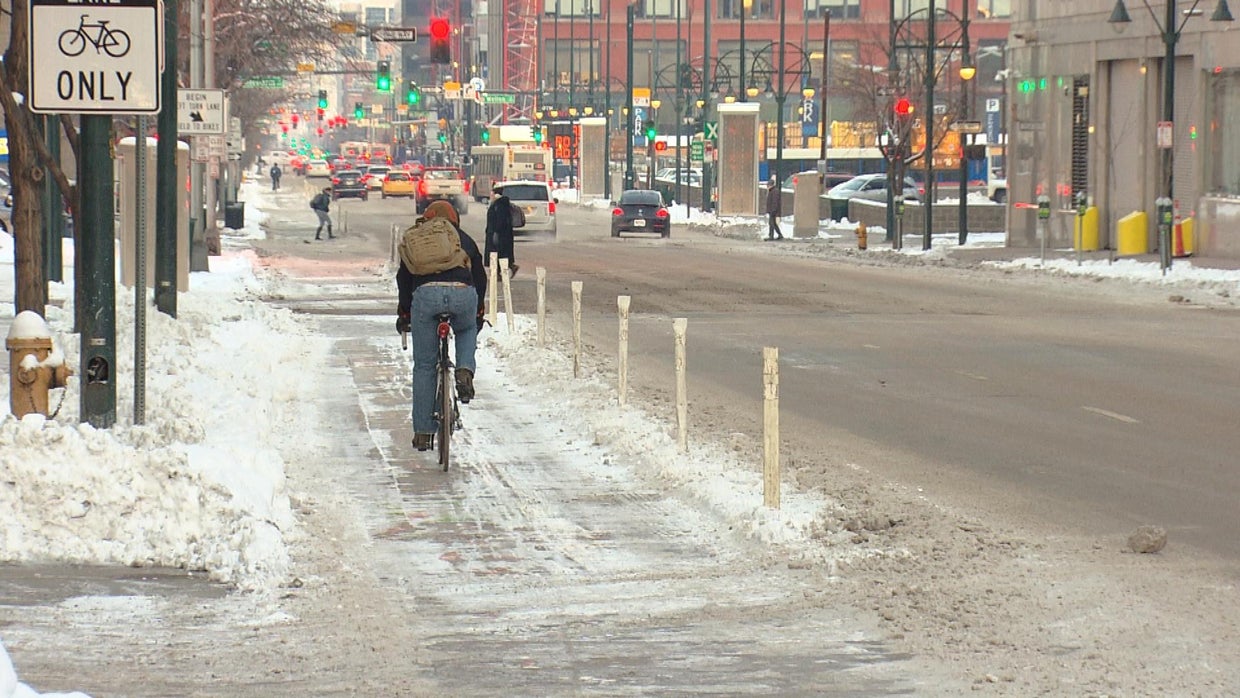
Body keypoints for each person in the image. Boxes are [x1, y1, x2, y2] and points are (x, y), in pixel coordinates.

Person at [396, 200, 487, 452]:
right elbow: (479, 276)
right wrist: (478, 310)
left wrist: (404, 312)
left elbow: (403, 279)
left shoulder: (417, 238)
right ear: (454, 218)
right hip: (461, 294)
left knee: (425, 365)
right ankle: (464, 369)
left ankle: (423, 431)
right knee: (467, 328)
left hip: (425, 297)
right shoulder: (462, 238)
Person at [485, 186, 518, 275]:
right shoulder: (498, 203)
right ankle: (505, 269)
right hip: (499, 234)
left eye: (491, 193)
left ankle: (499, 272)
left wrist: (496, 232)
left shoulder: (499, 204)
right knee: (501, 253)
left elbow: (500, 220)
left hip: (499, 234)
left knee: (498, 253)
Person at [765, 176, 784, 240]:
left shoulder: (774, 191)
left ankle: (771, 236)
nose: (767, 186)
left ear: (771, 185)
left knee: (771, 223)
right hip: (773, 210)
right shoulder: (772, 191)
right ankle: (779, 235)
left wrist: (773, 210)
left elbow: (775, 202)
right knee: (774, 224)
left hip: (773, 210)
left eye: (768, 185)